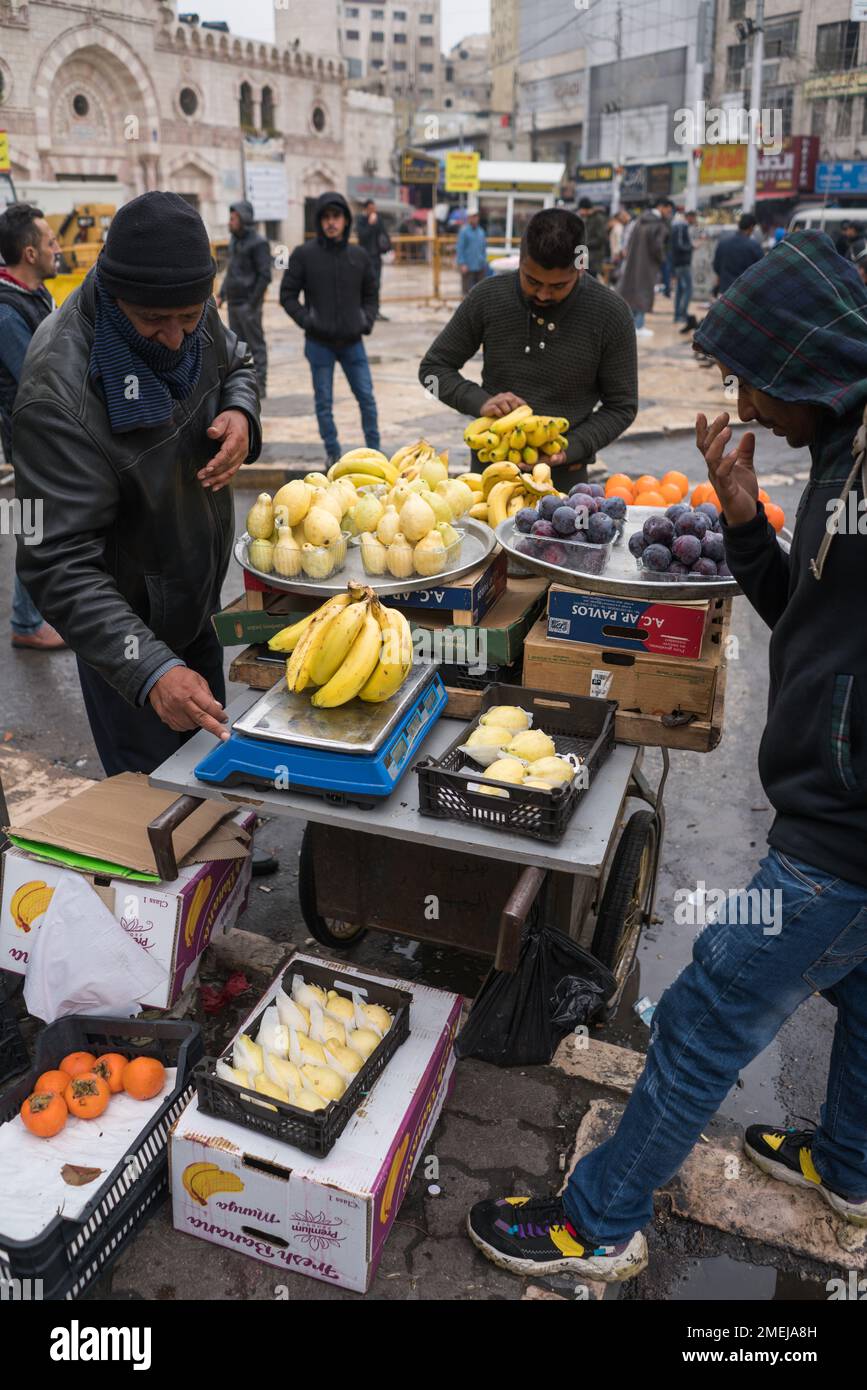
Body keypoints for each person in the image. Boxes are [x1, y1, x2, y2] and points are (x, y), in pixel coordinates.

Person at [466, 229, 867, 1284]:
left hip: (843, 841)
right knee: (866, 994)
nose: (737, 400)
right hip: (842, 820)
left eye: (747, 376)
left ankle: (593, 1226)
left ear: (800, 367)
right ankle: (850, 1169)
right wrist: (742, 526)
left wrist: (842, 792)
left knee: (703, 1011)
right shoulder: (843, 452)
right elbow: (810, 618)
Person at [13, 191, 262, 778]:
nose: (177, 337)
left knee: (208, 768)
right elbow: (56, 562)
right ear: (115, 292)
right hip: (126, 634)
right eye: (154, 322)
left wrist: (242, 415)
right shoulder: (56, 394)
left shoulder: (183, 299)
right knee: (152, 802)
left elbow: (238, 363)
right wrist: (149, 669)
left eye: (191, 318)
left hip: (194, 597)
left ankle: (224, 850)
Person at [419, 207, 637, 490]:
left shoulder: (611, 314)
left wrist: (572, 447)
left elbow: (622, 406)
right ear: (519, 261)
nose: (544, 294)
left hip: (566, 479)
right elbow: (432, 371)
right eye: (532, 281)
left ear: (580, 267)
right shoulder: (488, 297)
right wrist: (479, 401)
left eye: (559, 286)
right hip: (491, 471)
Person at [0, 203, 65, 652]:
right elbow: (36, 377)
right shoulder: (6, 311)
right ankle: (25, 622)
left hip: (48, 435)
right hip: (27, 442)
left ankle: (35, 614)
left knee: (44, 527)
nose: (57, 247)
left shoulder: (36, 294)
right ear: (28, 252)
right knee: (32, 529)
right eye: (50, 242)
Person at [280, 191, 380, 466]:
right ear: (319, 221)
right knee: (324, 403)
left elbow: (372, 293)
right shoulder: (304, 254)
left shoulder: (358, 256)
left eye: (336, 216)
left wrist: (366, 320)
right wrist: (307, 320)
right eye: (326, 217)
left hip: (353, 342)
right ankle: (333, 453)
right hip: (318, 343)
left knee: (367, 398)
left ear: (346, 220)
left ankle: (376, 453)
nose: (331, 222)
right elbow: (287, 295)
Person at [216, 200, 271, 396]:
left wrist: (252, 303)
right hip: (234, 303)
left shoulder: (259, 243)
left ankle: (261, 384)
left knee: (256, 345)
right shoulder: (234, 242)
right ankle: (242, 386)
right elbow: (231, 272)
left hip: (249, 305)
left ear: (244, 219)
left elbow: (265, 275)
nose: (229, 222)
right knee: (237, 349)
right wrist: (222, 294)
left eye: (233, 219)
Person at [616, 197, 673, 336]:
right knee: (644, 292)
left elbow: (629, 242)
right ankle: (639, 326)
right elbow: (658, 246)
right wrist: (662, 259)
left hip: (634, 261)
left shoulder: (640, 220)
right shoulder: (658, 224)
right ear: (662, 207)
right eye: (668, 210)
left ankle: (631, 325)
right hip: (648, 264)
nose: (669, 213)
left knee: (632, 292)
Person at [356, 199, 391, 321]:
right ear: (366, 209)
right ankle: (363, 310)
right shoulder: (361, 220)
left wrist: (388, 248)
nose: (373, 210)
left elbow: (384, 235)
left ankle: (376, 311)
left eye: (374, 208)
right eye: (371, 208)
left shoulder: (378, 220)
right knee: (365, 284)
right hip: (364, 257)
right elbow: (362, 236)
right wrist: (370, 224)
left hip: (376, 257)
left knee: (376, 285)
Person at [712, 212, 763, 295]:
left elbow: (716, 266)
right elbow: (761, 270)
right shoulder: (754, 246)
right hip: (744, 294)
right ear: (751, 227)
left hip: (725, 292)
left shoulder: (723, 243)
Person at [670, 208, 697, 324]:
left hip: (678, 262)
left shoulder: (678, 225)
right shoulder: (682, 226)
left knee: (680, 289)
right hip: (682, 262)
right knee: (688, 289)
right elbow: (679, 245)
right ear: (690, 217)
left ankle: (678, 315)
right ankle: (681, 314)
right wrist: (692, 247)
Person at [455, 209, 488, 297]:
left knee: (480, 292)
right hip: (468, 266)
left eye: (476, 216)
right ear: (468, 218)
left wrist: (484, 260)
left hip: (480, 265)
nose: (475, 219)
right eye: (472, 217)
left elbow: (483, 248)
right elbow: (460, 248)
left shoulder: (481, 232)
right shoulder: (464, 232)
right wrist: (462, 263)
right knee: (466, 293)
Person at [577, 197, 610, 278]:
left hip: (594, 258)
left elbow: (601, 238)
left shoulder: (598, 218)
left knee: (591, 279)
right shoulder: (588, 218)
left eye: (580, 209)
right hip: (587, 256)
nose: (580, 212)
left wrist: (585, 244)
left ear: (585, 208)